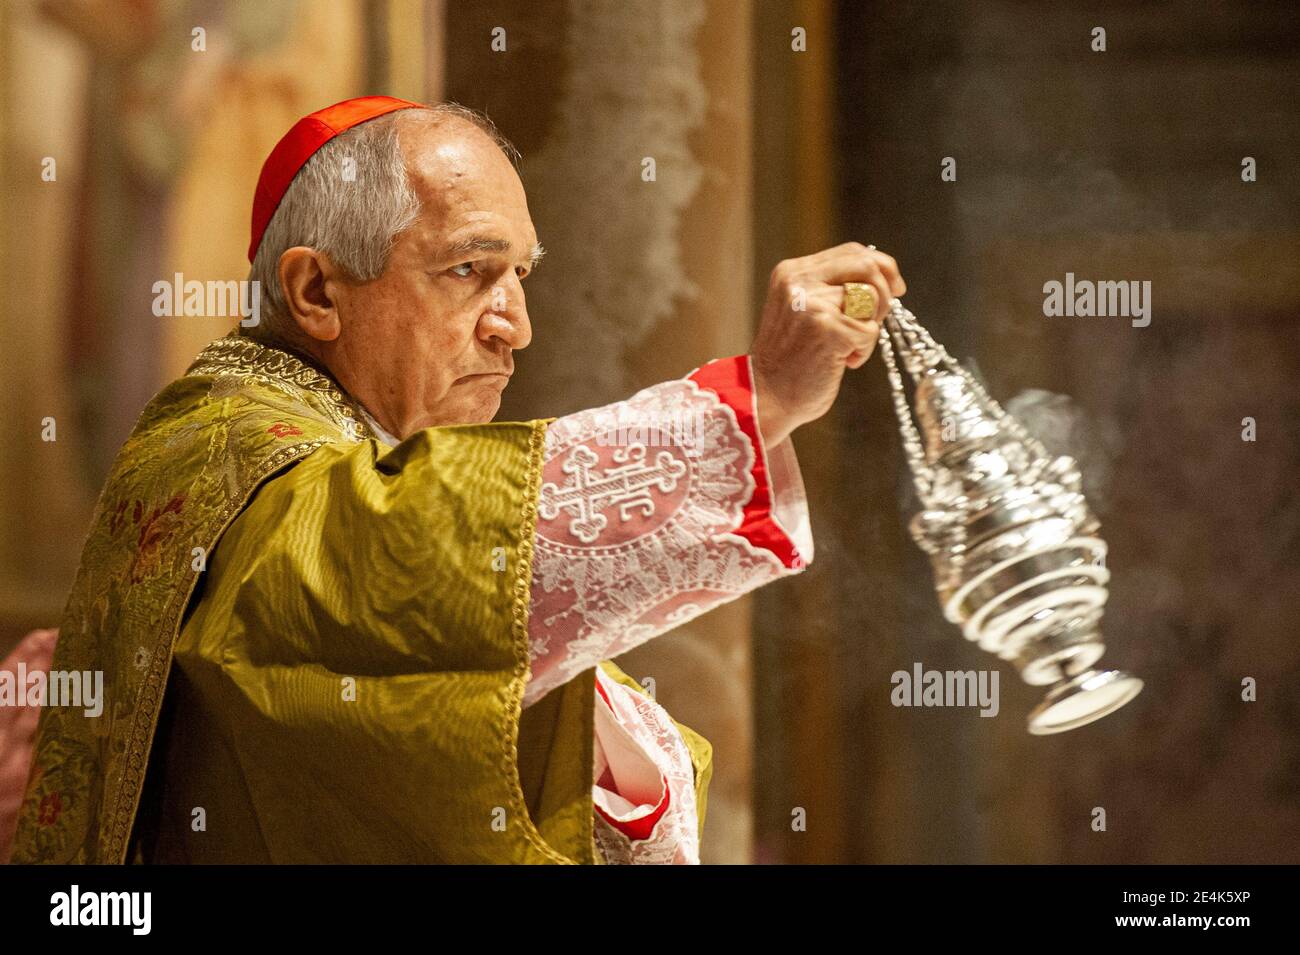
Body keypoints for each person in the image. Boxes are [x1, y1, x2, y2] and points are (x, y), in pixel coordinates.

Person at [8, 95, 905, 864]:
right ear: (317, 291)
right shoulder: (227, 442)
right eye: (469, 271)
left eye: (521, 274)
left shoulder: (332, 450)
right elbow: (392, 559)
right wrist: (755, 401)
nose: (515, 326)